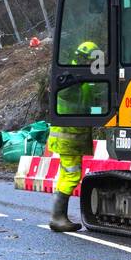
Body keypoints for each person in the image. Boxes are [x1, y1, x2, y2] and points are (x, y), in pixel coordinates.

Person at [48, 40, 99, 232]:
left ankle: (58, 216)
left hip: (71, 138)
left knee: (65, 174)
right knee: (72, 175)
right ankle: (57, 217)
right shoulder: (70, 79)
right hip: (69, 137)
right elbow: (66, 94)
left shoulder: (80, 78)